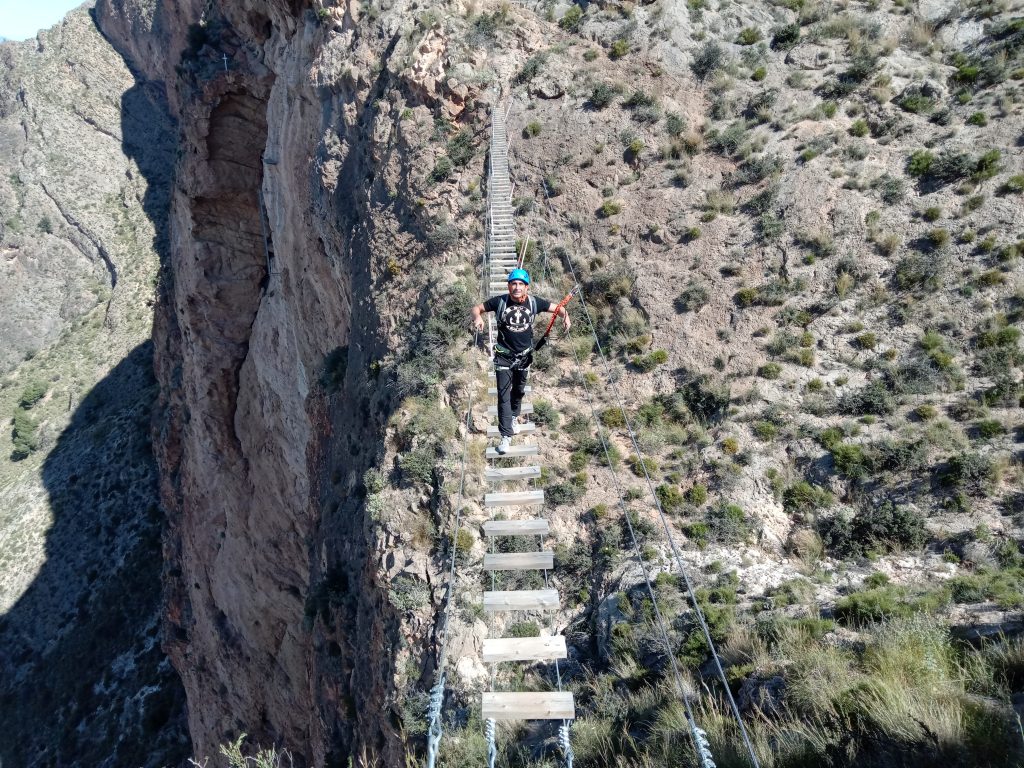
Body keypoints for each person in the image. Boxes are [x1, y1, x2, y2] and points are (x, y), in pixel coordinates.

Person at [471, 268, 570, 454]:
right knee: (502, 395)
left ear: (526, 287)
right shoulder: (500, 301)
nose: (516, 287)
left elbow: (559, 308)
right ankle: (505, 436)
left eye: (520, 284)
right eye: (513, 284)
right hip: (503, 356)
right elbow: (477, 308)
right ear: (509, 286)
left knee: (518, 390)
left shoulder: (534, 302)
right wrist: (477, 317)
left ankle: (514, 416)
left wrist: (566, 317)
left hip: (524, 357)